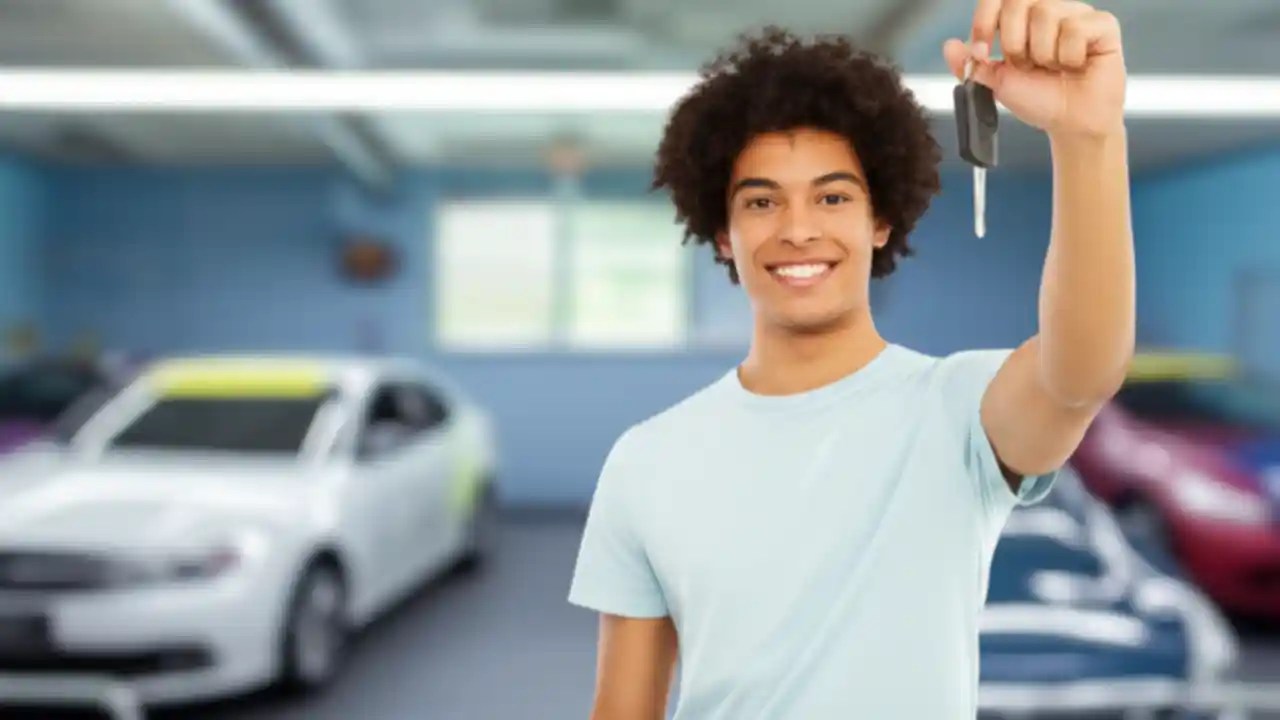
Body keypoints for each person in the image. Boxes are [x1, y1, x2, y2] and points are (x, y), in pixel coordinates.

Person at [568, 0, 1134, 717]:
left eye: (832, 196)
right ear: (721, 233)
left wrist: (1089, 139)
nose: (798, 229)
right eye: (761, 202)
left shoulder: (959, 410)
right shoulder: (644, 460)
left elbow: (1081, 373)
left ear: (879, 219)